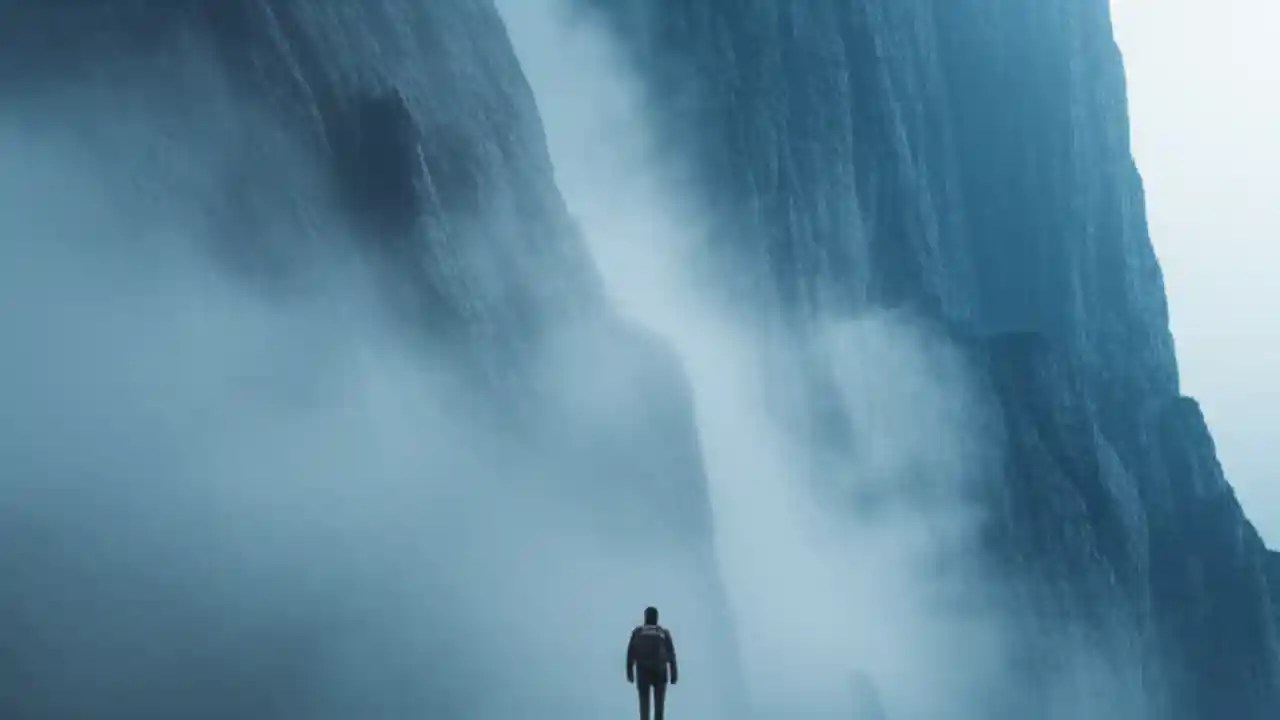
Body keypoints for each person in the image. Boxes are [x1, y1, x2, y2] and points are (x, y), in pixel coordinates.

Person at [626, 606, 678, 720]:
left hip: (643, 672)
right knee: (659, 707)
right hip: (660, 672)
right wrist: (674, 675)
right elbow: (671, 654)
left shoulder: (638, 632)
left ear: (645, 617)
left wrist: (630, 672)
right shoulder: (663, 633)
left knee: (644, 705)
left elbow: (630, 652)